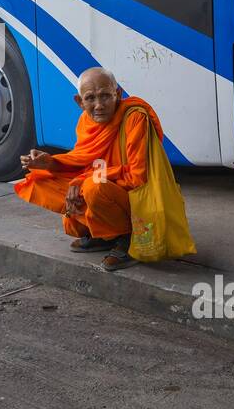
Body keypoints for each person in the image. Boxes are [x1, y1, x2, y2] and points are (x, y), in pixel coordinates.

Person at [15, 68, 185, 272]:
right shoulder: (86, 121)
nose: (99, 105)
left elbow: (137, 177)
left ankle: (128, 239)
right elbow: (85, 161)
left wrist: (82, 182)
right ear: (79, 102)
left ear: (118, 94)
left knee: (94, 187)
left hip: (135, 198)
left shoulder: (134, 118)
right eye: (90, 98)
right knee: (40, 180)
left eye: (105, 95)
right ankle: (105, 234)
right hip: (104, 185)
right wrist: (50, 163)